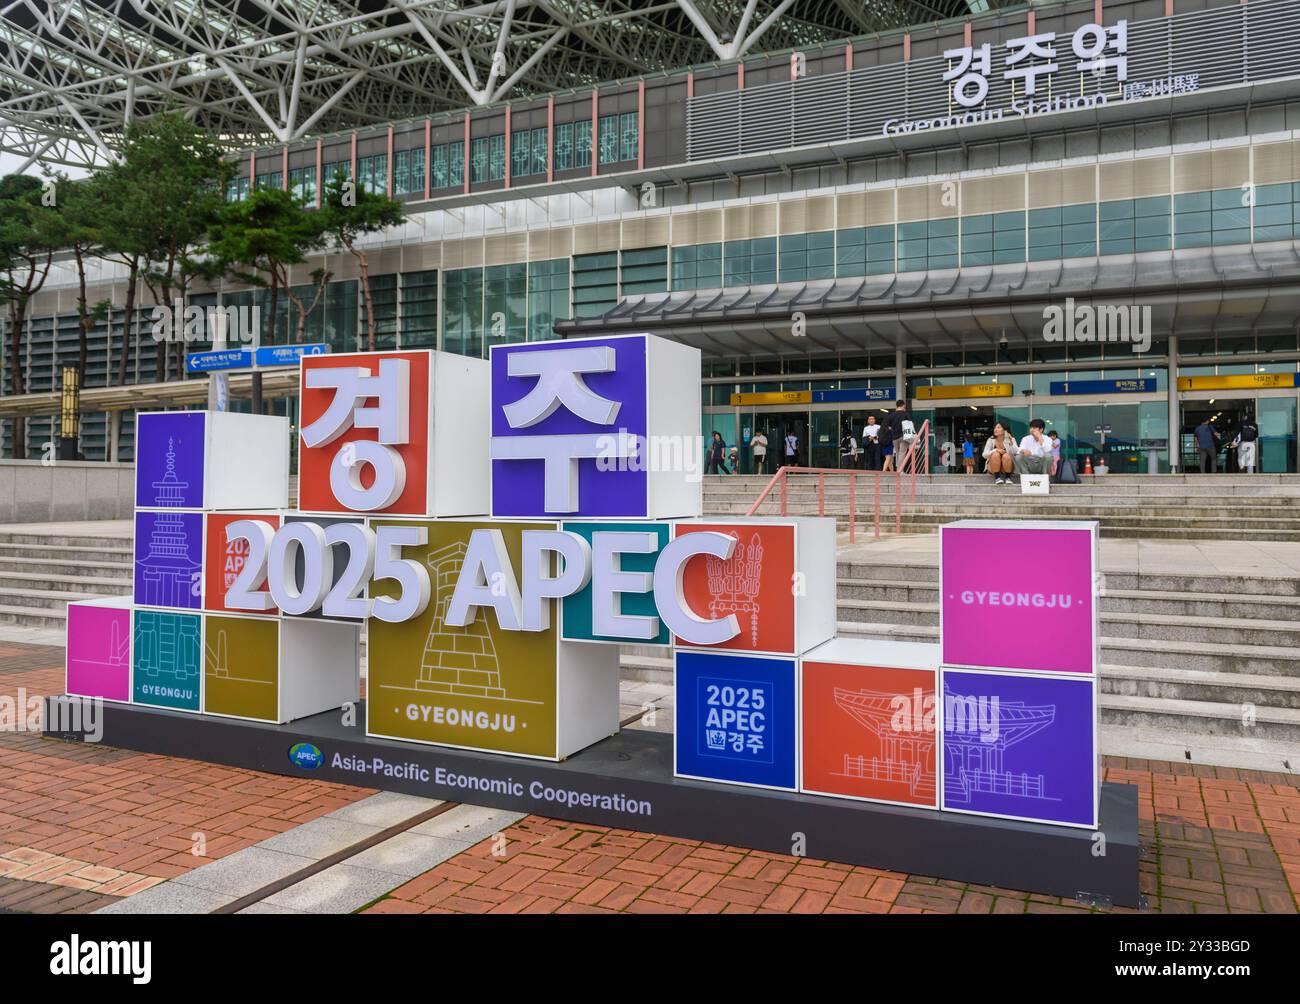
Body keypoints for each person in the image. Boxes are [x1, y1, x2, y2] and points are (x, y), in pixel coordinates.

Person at [888, 400, 914, 471]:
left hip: (894, 438)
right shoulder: (905, 414)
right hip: (904, 436)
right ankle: (900, 471)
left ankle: (898, 469)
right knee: (902, 454)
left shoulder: (891, 415)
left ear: (896, 406)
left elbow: (889, 427)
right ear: (903, 405)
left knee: (898, 453)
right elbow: (911, 424)